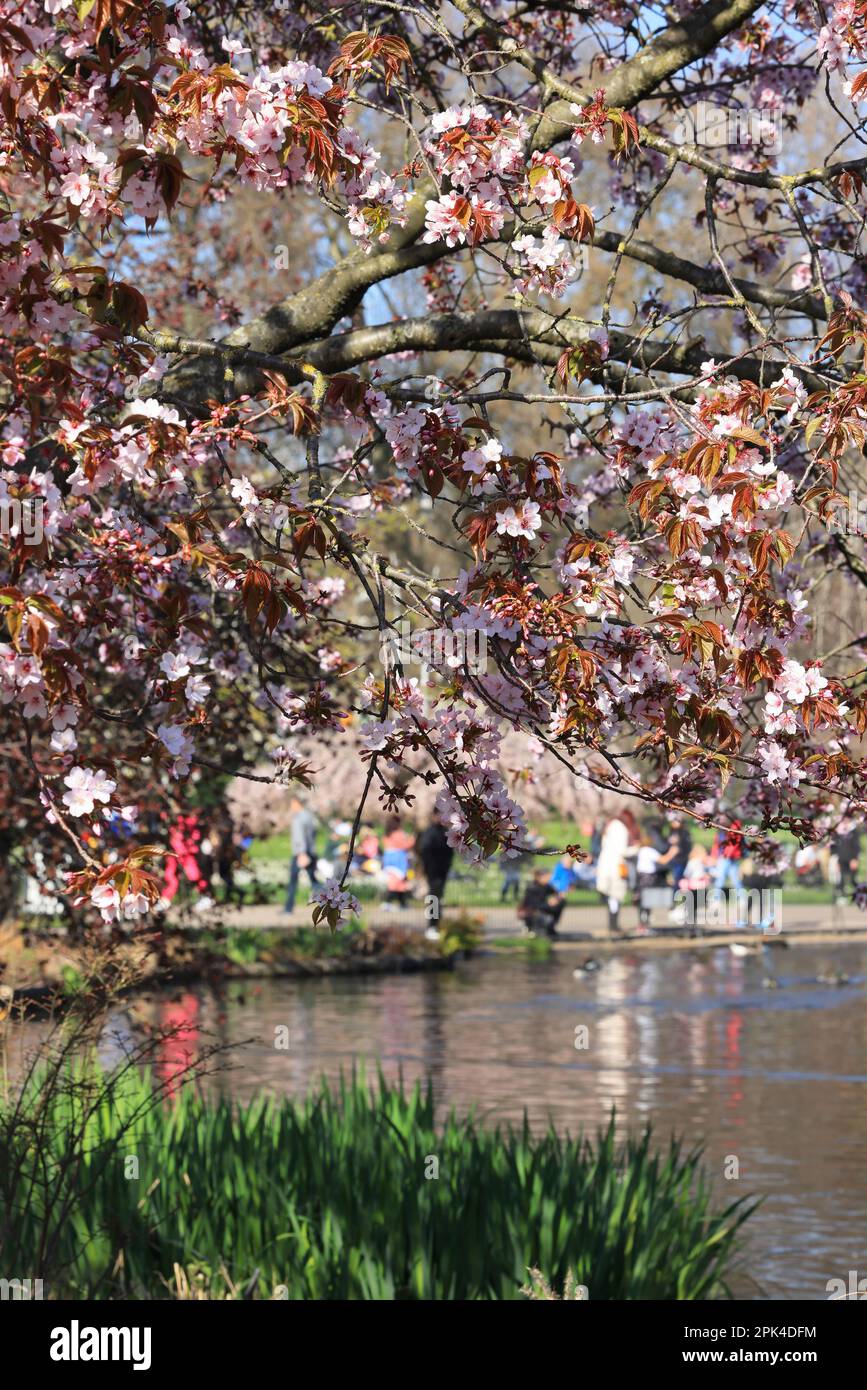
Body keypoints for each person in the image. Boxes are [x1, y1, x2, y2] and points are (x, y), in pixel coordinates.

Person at [595, 808, 639, 935]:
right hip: (615, 868)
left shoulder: (611, 827)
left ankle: (613, 925)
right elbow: (622, 850)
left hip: (606, 866)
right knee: (615, 897)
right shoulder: (620, 828)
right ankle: (613, 926)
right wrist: (636, 848)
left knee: (612, 898)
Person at [417, 812, 454, 928]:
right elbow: (424, 850)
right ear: (433, 816)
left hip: (442, 870)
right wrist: (426, 868)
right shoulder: (429, 832)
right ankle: (432, 924)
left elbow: (450, 851)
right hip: (432, 871)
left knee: (438, 896)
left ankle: (436, 922)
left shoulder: (445, 831)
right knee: (434, 896)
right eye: (437, 815)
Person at [284, 796, 318, 913]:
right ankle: (334, 900)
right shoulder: (309, 816)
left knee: (293, 880)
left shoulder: (298, 818)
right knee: (313, 880)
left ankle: (288, 908)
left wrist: (301, 853)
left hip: (301, 853)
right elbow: (313, 834)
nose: (291, 806)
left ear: (297, 803)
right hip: (310, 851)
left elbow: (300, 837)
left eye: (292, 803)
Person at [519, 868, 564, 938]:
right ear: (540, 877)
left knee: (561, 903)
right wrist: (549, 903)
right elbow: (534, 905)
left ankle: (550, 928)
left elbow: (557, 893)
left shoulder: (546, 886)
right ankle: (532, 928)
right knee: (542, 915)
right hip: (530, 911)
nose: (549, 879)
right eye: (547, 877)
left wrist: (557, 898)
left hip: (541, 908)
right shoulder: (532, 888)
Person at [381, 816, 415, 908]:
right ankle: (387, 902)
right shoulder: (398, 834)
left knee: (400, 883)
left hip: (388, 859)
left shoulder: (387, 833)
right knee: (396, 882)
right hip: (398, 859)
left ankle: (403, 903)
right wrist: (412, 839)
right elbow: (405, 845)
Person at [658, 812, 693, 889]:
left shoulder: (685, 832)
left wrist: (678, 846)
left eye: (676, 821)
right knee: (671, 879)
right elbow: (668, 843)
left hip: (681, 860)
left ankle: (676, 892)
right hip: (672, 860)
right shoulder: (672, 831)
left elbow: (687, 846)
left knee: (678, 879)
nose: (674, 823)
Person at [635, 830, 661, 928]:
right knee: (647, 900)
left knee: (642, 899)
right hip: (648, 878)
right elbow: (663, 860)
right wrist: (672, 852)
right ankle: (645, 923)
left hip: (640, 877)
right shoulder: (650, 851)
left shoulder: (640, 850)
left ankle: (642, 922)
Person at [831, 823, 861, 903]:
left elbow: (857, 845)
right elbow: (834, 847)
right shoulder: (837, 831)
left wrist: (855, 858)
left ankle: (859, 896)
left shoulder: (853, 831)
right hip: (841, 859)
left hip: (851, 859)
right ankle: (841, 897)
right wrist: (835, 860)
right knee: (841, 879)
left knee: (853, 879)